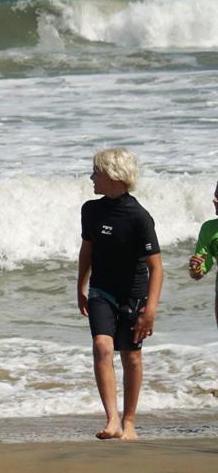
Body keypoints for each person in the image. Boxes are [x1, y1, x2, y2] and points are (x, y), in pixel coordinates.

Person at [77, 148, 162, 441]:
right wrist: (80, 286)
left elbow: (156, 267)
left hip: (134, 296)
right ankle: (112, 419)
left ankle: (129, 421)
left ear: (113, 176)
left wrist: (150, 310)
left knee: (131, 357)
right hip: (101, 290)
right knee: (102, 346)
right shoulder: (90, 210)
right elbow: (87, 251)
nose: (92, 177)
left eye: (96, 172)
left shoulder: (139, 217)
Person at [187, 180, 218, 330]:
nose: (214, 200)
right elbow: (198, 273)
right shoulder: (209, 229)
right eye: (215, 195)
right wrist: (195, 268)